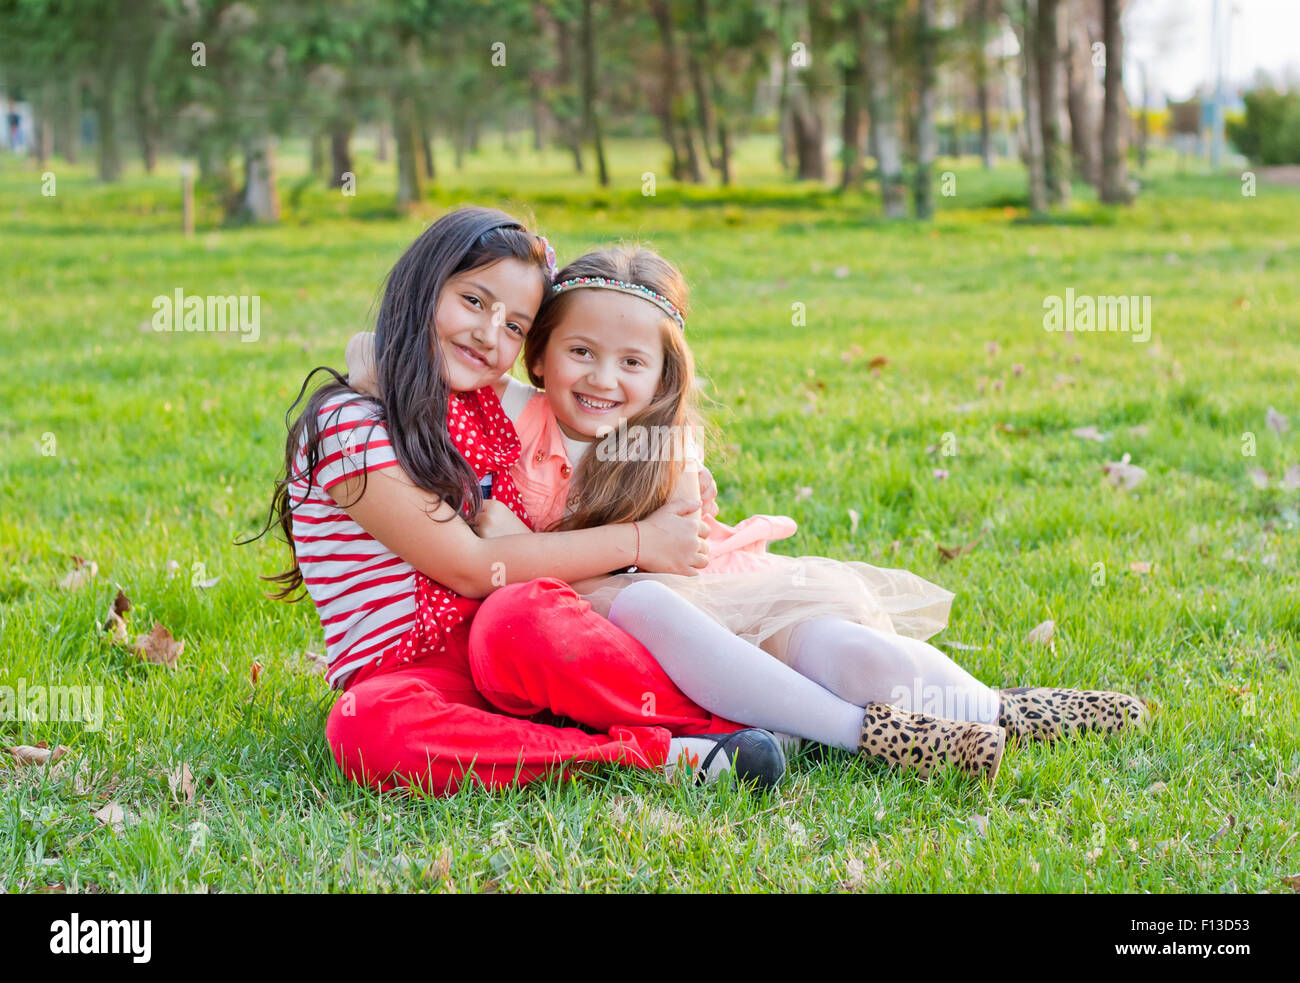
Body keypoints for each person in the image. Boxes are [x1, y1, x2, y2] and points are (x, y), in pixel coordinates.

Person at [349, 244, 1149, 786]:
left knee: (842, 644)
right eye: (579, 352)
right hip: (625, 623)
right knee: (646, 598)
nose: (601, 379)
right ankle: (862, 734)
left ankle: (994, 710)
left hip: (716, 597)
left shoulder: (665, 444)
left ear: (664, 372)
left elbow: (663, 554)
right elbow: (382, 354)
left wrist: (554, 547)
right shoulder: (511, 416)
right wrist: (372, 367)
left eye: (633, 361)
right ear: (540, 355)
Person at [254, 206, 786, 796]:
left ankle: (735, 722)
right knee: (368, 728)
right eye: (474, 302)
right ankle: (662, 754)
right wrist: (643, 542)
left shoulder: (481, 407)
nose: (488, 334)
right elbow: (468, 567)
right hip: (414, 674)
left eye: (514, 326)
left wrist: (681, 483)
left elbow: (628, 420)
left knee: (520, 617)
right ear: (418, 289)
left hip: (507, 644)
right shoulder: (346, 424)